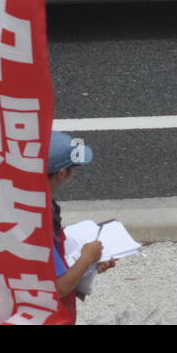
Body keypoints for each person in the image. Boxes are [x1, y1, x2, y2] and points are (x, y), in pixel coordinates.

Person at [48, 131, 116, 322]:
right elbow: (57, 288)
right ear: (62, 173)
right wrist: (87, 259)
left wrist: (89, 267)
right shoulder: (40, 220)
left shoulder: (26, 205)